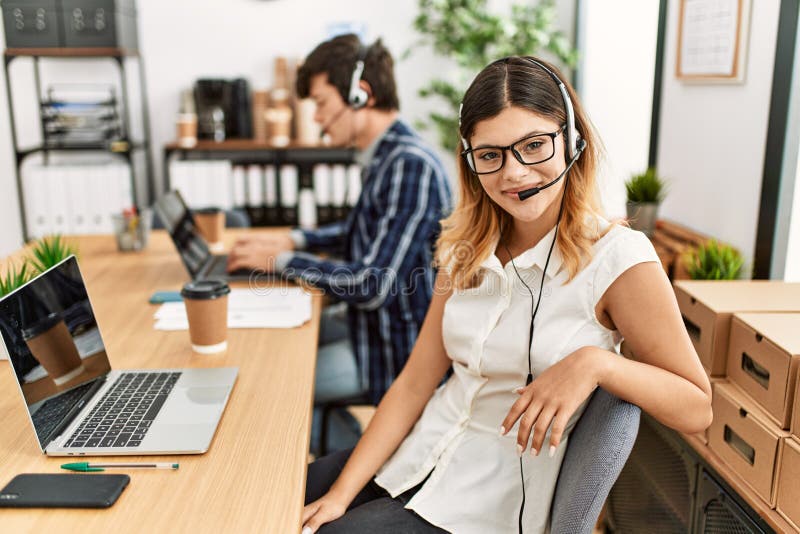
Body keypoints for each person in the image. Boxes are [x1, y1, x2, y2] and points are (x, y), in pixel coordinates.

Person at [300, 56, 713, 534]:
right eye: (490, 155)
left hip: (488, 504)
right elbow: (415, 384)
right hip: (417, 451)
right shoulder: (464, 246)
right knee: (279, 495)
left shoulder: (618, 259)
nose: (514, 173)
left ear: (572, 140)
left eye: (534, 146)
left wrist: (596, 363)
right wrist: (341, 494)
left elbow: (697, 408)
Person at [227, 34, 452, 453]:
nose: (317, 118)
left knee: (270, 391)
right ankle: (357, 457)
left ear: (359, 94)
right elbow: (357, 230)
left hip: (392, 349)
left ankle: (368, 471)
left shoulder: (409, 166)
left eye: (321, 103)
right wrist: (293, 237)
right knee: (270, 349)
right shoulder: (387, 158)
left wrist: (282, 259)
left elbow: (371, 284)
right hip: (370, 329)